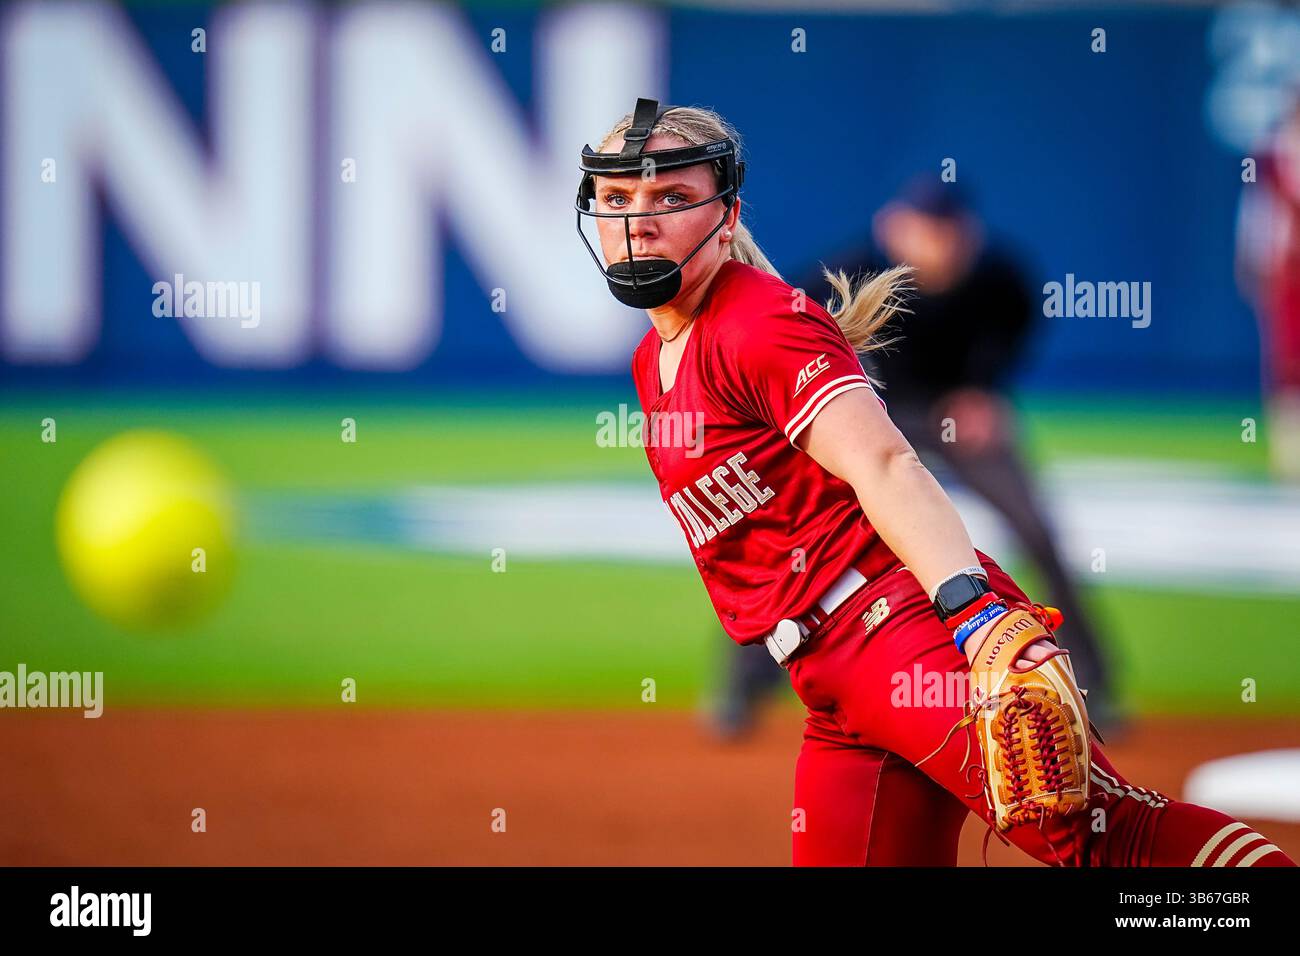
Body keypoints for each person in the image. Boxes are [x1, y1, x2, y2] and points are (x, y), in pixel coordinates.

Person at [573, 97, 1296, 867]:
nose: (638, 222)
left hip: (902, 632)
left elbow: (887, 463)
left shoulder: (758, 324)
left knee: (1107, 838)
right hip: (831, 679)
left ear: (726, 214)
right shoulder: (655, 359)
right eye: (618, 199)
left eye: (672, 198)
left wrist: (974, 616)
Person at [709, 180, 1119, 742]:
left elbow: (1009, 338)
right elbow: (785, 331)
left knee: (1035, 528)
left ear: (967, 234)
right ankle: (743, 688)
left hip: (959, 417)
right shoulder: (848, 272)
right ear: (892, 227)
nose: (937, 243)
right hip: (870, 414)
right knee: (805, 540)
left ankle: (1092, 684)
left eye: (947, 231)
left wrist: (985, 391)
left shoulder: (1000, 279)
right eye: (924, 229)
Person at [1237, 90, 1300, 481]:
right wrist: (1251, 258)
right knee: (1287, 358)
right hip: (1286, 270)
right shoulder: (1271, 154)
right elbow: (1257, 214)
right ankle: (1289, 449)